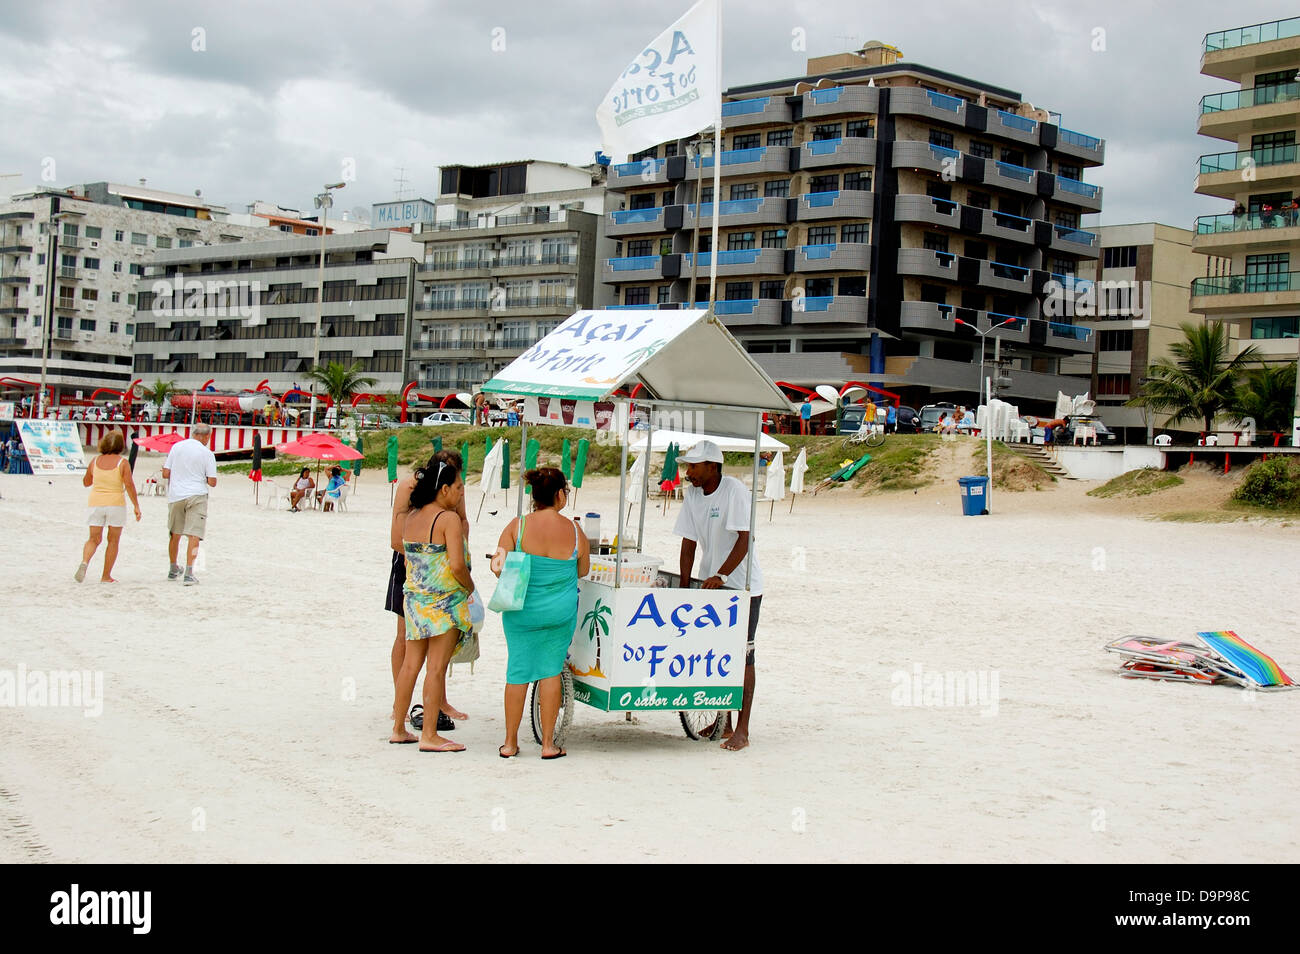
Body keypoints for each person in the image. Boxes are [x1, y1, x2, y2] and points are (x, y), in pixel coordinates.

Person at [492, 467, 589, 760]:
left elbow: (497, 565)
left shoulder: (517, 526)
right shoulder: (574, 530)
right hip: (558, 613)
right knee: (550, 671)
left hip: (521, 610)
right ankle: (548, 745)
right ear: (559, 495)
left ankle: (509, 743)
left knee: (517, 671)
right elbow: (582, 570)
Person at [673, 440, 763, 752]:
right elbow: (688, 542)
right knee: (716, 654)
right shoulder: (692, 494)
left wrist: (722, 575)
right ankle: (723, 721)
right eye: (687, 466)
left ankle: (743, 729)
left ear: (713, 466)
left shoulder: (734, 490)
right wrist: (684, 587)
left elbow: (744, 540)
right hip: (710, 587)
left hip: (741, 587)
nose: (688, 472)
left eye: (694, 466)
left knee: (743, 655)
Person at [390, 458, 474, 751]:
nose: (461, 492)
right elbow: (457, 565)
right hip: (443, 602)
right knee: (436, 668)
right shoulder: (448, 519)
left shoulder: (411, 517)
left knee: (410, 666)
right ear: (445, 488)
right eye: (459, 487)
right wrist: (470, 588)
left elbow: (403, 549)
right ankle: (429, 735)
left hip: (414, 599)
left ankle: (399, 728)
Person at [76, 431, 142, 583]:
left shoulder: (95, 461)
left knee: (93, 539)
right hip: (115, 503)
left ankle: (85, 562)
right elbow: (129, 485)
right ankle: (106, 576)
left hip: (95, 502)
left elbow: (86, 482)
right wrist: (136, 506)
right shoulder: (122, 463)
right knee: (113, 540)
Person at [162, 422, 217, 585]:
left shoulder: (177, 447)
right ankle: (189, 572)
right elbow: (212, 482)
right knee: (194, 535)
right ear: (207, 436)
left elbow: (166, 473)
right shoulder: (207, 453)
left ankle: (173, 568)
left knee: (175, 533)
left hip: (176, 495)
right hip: (197, 494)